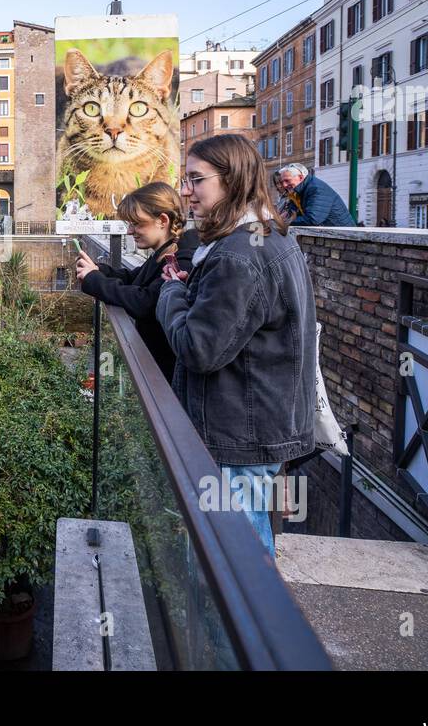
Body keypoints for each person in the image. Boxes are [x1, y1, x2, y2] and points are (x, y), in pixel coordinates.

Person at [157, 135, 316, 556]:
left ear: (232, 181)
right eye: (184, 179)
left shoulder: (237, 255)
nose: (185, 191)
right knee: (244, 540)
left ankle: (244, 623)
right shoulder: (268, 238)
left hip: (238, 432)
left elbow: (198, 348)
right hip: (260, 421)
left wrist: (171, 295)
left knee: (233, 557)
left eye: (196, 180)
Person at [74, 181, 199, 382]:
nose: (130, 231)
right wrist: (98, 270)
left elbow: (146, 303)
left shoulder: (182, 259)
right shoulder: (164, 252)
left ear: (162, 220)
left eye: (137, 223)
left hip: (167, 378)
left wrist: (95, 280)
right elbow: (134, 278)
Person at [276, 163, 355, 227]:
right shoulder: (299, 191)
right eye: (282, 182)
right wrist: (287, 215)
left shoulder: (316, 188)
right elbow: (295, 212)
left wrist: (285, 221)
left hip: (344, 238)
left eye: (287, 180)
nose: (284, 185)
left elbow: (313, 219)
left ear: (300, 177)